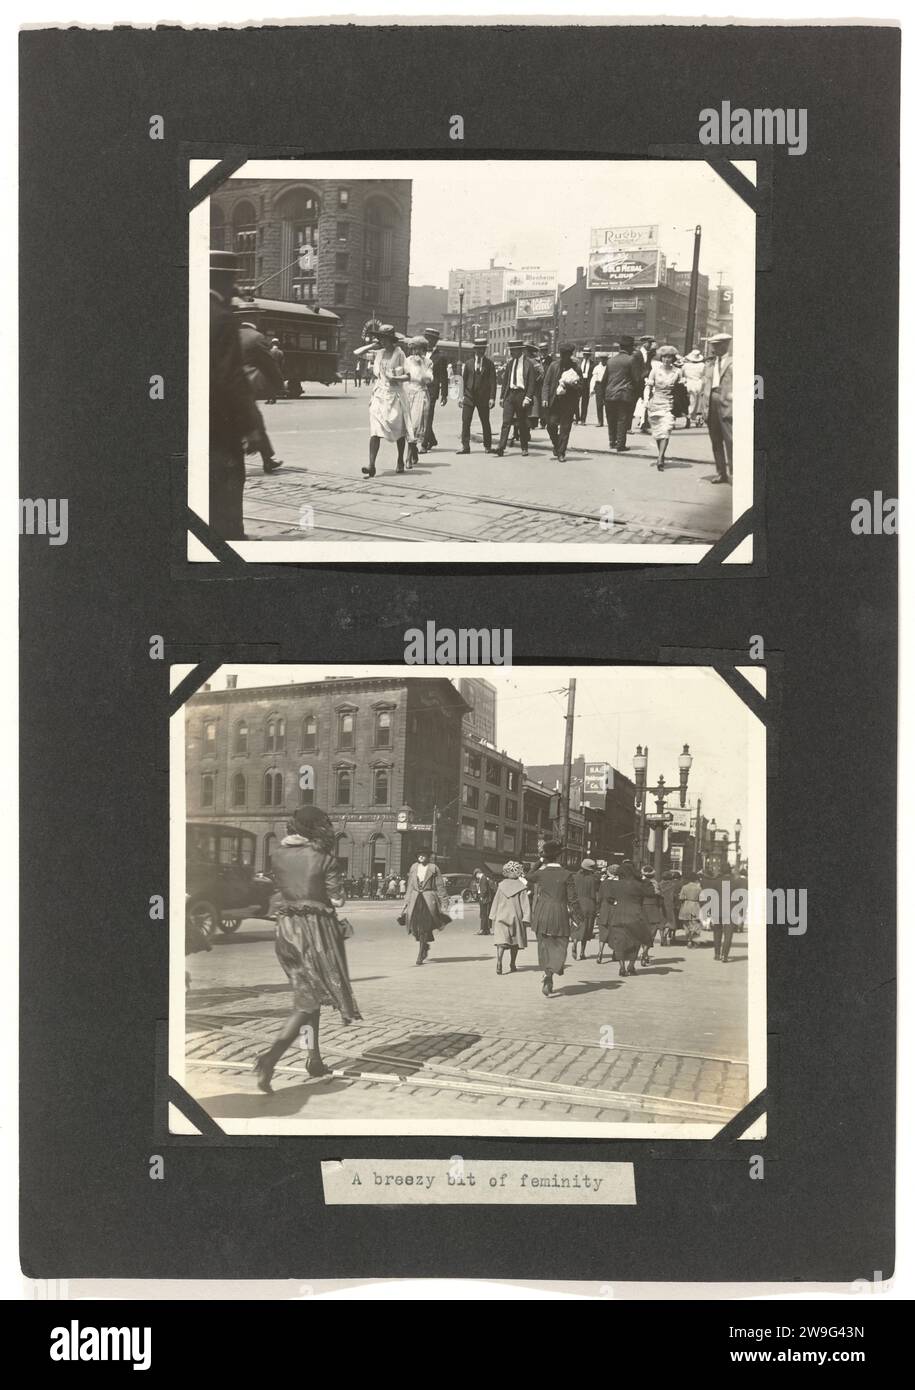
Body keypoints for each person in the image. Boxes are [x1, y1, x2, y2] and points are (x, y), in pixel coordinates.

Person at [253, 805, 361, 1092]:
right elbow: (338, 900)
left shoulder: (277, 855)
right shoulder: (323, 858)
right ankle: (270, 1058)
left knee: (308, 997)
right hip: (315, 935)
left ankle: (313, 1058)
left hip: (285, 932)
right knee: (308, 1002)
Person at [208, 250, 266, 540]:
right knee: (228, 476)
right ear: (224, 279)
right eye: (232, 279)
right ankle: (231, 537)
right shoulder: (222, 317)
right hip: (220, 421)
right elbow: (231, 378)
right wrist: (251, 427)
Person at [356, 323, 411, 478]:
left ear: (392, 340)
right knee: (375, 431)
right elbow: (357, 353)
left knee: (398, 429)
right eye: (381, 338)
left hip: (395, 395)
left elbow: (409, 375)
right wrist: (372, 345)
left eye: (385, 338)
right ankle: (371, 465)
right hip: (379, 396)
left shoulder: (400, 354)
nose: (383, 341)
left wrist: (395, 377)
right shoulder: (378, 353)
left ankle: (400, 459)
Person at [526, 843, 581, 997]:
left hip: (542, 913)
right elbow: (573, 899)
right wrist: (578, 917)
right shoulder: (566, 874)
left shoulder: (541, 874)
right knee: (560, 944)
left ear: (545, 857)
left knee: (543, 945)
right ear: (558, 856)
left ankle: (547, 973)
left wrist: (539, 861)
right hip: (559, 913)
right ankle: (551, 972)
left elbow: (528, 875)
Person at [238, 320, 285, 473]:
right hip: (243, 386)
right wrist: (279, 384)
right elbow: (269, 364)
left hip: (221, 385)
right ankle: (267, 460)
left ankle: (266, 458)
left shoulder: (232, 334)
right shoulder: (256, 337)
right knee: (256, 422)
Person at [596, 859, 655, 975]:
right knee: (636, 940)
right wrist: (645, 880)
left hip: (618, 914)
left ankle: (621, 966)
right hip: (635, 914)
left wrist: (616, 902)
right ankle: (631, 966)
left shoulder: (615, 885)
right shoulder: (638, 885)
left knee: (620, 941)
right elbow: (651, 893)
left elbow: (608, 898)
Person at [401, 851, 450, 965]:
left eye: (423, 855)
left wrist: (444, 900)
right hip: (415, 899)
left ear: (428, 856)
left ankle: (421, 953)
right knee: (414, 928)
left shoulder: (433, 868)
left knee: (424, 927)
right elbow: (410, 885)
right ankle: (425, 946)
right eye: (419, 855)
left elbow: (440, 885)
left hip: (428, 899)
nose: (421, 856)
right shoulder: (414, 867)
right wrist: (406, 901)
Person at [644, 345, 686, 471]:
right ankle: (661, 454)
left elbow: (682, 390)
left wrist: (682, 404)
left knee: (666, 429)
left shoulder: (678, 372)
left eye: (669, 357)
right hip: (655, 403)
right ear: (661, 358)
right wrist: (646, 400)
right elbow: (648, 387)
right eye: (664, 357)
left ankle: (660, 457)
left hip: (670, 404)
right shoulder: (655, 371)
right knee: (658, 432)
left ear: (673, 359)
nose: (667, 360)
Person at [494, 339, 537, 456]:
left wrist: (527, 398)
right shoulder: (510, 363)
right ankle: (501, 447)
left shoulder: (528, 364)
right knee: (506, 422)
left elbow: (532, 383)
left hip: (521, 395)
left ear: (520, 350)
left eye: (514, 350)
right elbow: (505, 382)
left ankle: (524, 447)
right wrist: (502, 397)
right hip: (510, 395)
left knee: (522, 422)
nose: (512, 353)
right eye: (511, 350)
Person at [542, 343, 582, 462]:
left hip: (568, 403)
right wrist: (545, 398)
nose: (565, 358)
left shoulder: (576, 368)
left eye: (567, 355)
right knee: (551, 425)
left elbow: (581, 386)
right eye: (563, 355)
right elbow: (546, 383)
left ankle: (561, 453)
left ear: (570, 355)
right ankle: (557, 445)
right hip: (554, 401)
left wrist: (573, 385)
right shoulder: (554, 366)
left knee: (565, 428)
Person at [603, 337, 642, 453]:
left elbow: (604, 379)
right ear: (629, 347)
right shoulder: (631, 360)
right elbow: (636, 379)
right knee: (622, 419)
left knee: (611, 419)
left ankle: (612, 441)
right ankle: (620, 444)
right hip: (624, 394)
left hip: (609, 394)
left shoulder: (610, 361)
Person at [490, 861, 530, 975]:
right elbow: (525, 904)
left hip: (501, 916)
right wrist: (526, 917)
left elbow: (496, 901)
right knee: (515, 943)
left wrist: (493, 915)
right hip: (516, 917)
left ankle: (499, 962)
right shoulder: (521, 887)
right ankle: (512, 964)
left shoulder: (501, 886)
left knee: (501, 942)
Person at [458, 337, 496, 453]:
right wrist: (461, 396)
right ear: (475, 350)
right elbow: (463, 381)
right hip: (469, 397)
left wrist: (492, 398)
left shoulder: (489, 364)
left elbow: (493, 382)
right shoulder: (469, 363)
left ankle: (488, 446)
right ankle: (465, 446)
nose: (480, 351)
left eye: (483, 349)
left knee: (485, 421)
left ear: (485, 350)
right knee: (465, 421)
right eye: (479, 349)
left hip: (483, 398)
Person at [706, 332, 733, 483]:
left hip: (727, 403)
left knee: (731, 441)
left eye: (716, 345)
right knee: (715, 440)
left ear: (725, 345)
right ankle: (721, 473)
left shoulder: (734, 362)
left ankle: (735, 474)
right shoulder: (710, 363)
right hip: (711, 402)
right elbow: (706, 385)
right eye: (713, 345)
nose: (713, 348)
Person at [403, 335, 433, 468]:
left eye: (419, 349)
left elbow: (429, 379)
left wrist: (421, 366)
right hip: (407, 394)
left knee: (414, 427)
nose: (416, 352)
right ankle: (413, 451)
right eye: (413, 349)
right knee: (405, 427)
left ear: (423, 350)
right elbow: (403, 376)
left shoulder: (427, 362)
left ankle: (408, 458)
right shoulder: (407, 361)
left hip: (421, 395)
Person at [422, 329, 450, 451]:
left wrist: (444, 394)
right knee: (421, 416)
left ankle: (423, 444)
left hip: (432, 391)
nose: (427, 341)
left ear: (435, 341)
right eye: (426, 338)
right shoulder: (419, 353)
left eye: (430, 339)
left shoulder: (441, 356)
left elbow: (444, 376)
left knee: (428, 417)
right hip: (419, 389)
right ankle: (432, 440)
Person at [570, 858, 599, 960]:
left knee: (577, 925)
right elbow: (596, 893)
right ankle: (582, 953)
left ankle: (574, 942)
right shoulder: (593, 879)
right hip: (590, 904)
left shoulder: (575, 877)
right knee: (587, 929)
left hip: (578, 904)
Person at [640, 865, 664, 964]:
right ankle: (645, 953)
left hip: (642, 910)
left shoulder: (639, 884)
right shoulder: (656, 884)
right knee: (651, 934)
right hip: (653, 909)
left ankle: (644, 953)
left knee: (642, 934)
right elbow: (660, 899)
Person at [634, 337, 655, 433]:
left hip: (645, 382)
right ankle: (628, 426)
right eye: (649, 343)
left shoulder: (649, 354)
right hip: (638, 382)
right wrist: (642, 377)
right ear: (644, 343)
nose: (650, 345)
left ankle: (644, 424)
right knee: (634, 404)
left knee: (646, 402)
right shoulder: (637, 354)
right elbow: (636, 369)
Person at [678, 871, 703, 947]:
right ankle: (692, 938)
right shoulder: (699, 888)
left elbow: (681, 897)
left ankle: (688, 938)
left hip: (686, 905)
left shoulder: (684, 887)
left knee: (686, 923)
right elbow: (701, 898)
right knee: (695, 923)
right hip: (695, 905)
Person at [682, 348, 706, 426]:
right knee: (697, 401)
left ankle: (688, 415)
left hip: (688, 383)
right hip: (698, 383)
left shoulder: (685, 365)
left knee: (689, 401)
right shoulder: (702, 366)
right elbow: (704, 375)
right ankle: (695, 416)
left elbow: (683, 375)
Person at [660, 868, 682, 944]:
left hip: (661, 905)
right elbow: (676, 896)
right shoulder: (672, 885)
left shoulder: (659, 884)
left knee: (662, 923)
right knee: (671, 922)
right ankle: (667, 935)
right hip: (670, 905)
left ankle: (662, 936)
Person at [576, 347, 594, 423]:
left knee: (585, 402)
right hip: (579, 382)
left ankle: (583, 419)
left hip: (587, 384)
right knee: (576, 401)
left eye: (588, 355)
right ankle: (577, 418)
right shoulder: (578, 363)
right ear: (583, 355)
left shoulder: (593, 364)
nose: (586, 356)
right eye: (585, 354)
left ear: (590, 355)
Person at [474, 868, 495, 935]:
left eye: (475, 875)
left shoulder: (483, 878)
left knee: (483, 914)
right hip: (486, 899)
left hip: (484, 899)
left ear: (477, 873)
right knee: (485, 914)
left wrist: (481, 897)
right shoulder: (484, 878)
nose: (476, 877)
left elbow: (484, 889)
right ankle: (486, 930)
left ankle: (483, 929)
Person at [591, 350, 608, 427]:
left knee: (608, 404)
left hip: (607, 386)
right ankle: (600, 421)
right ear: (600, 359)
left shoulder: (609, 367)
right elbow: (593, 379)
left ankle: (609, 421)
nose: (603, 360)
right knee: (599, 405)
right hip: (599, 386)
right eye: (602, 358)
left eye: (605, 358)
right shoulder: (597, 368)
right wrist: (592, 389)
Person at [266, 337, 286, 403]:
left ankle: (269, 399)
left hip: (269, 370)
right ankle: (273, 399)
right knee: (274, 384)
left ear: (272, 344)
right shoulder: (280, 352)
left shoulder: (269, 352)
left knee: (269, 384)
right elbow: (282, 364)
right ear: (278, 344)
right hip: (277, 370)